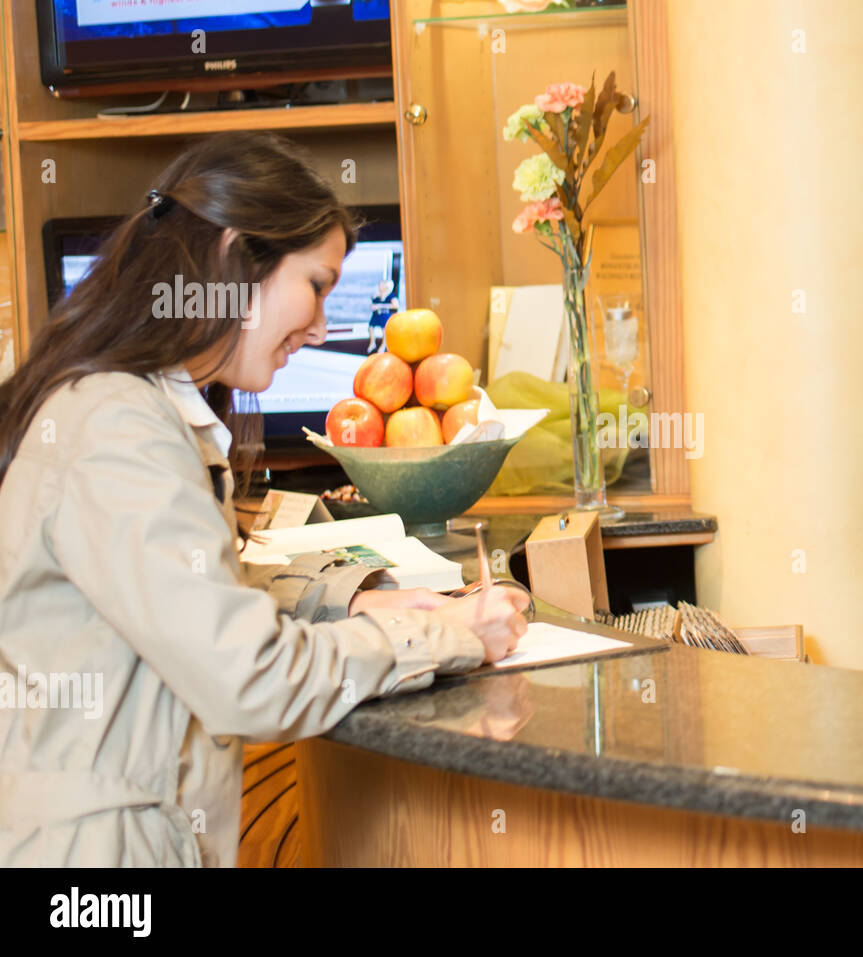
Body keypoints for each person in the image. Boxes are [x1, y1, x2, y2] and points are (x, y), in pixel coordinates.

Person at [0, 131, 530, 866]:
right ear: (233, 257)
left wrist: (348, 602)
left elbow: (191, 591)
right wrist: (445, 636)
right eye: (316, 284)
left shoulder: (121, 405)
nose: (320, 327)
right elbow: (247, 676)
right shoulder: (119, 427)